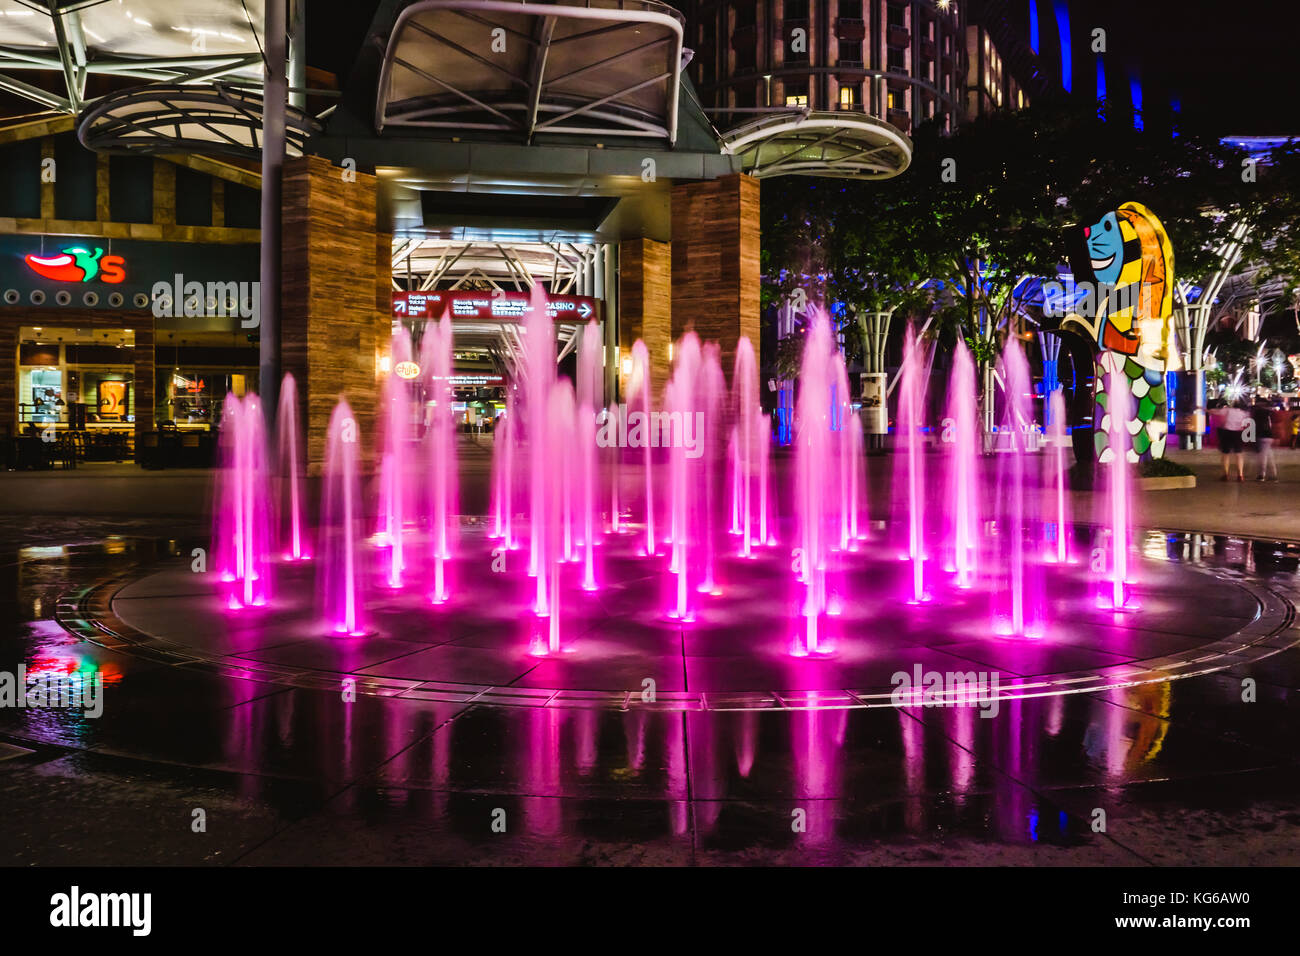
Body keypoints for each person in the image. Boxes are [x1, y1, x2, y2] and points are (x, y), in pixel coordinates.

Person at [1218, 400, 1248, 481]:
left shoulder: (1228, 410)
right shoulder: (1243, 413)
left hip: (1227, 432)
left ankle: (1225, 475)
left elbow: (1216, 412)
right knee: (1239, 455)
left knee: (1225, 454)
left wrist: (1203, 409)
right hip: (1238, 433)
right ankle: (1240, 475)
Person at [1251, 398, 1278, 481]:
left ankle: (1262, 475)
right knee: (1269, 456)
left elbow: (1255, 426)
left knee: (1262, 456)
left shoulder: (1258, 413)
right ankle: (1273, 475)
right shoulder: (1268, 413)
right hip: (1269, 436)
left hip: (1262, 436)